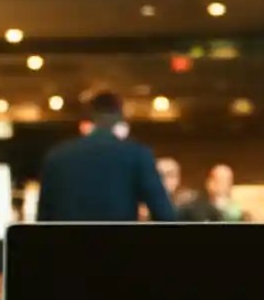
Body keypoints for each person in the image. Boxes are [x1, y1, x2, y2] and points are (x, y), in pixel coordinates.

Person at [37, 92, 176, 222]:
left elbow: (44, 217)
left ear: (91, 118)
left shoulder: (57, 156)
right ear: (121, 119)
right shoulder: (138, 154)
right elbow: (164, 214)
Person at [178, 163, 245, 222]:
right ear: (209, 183)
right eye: (220, 180)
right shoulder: (193, 209)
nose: (224, 184)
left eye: (228, 180)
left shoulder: (236, 210)